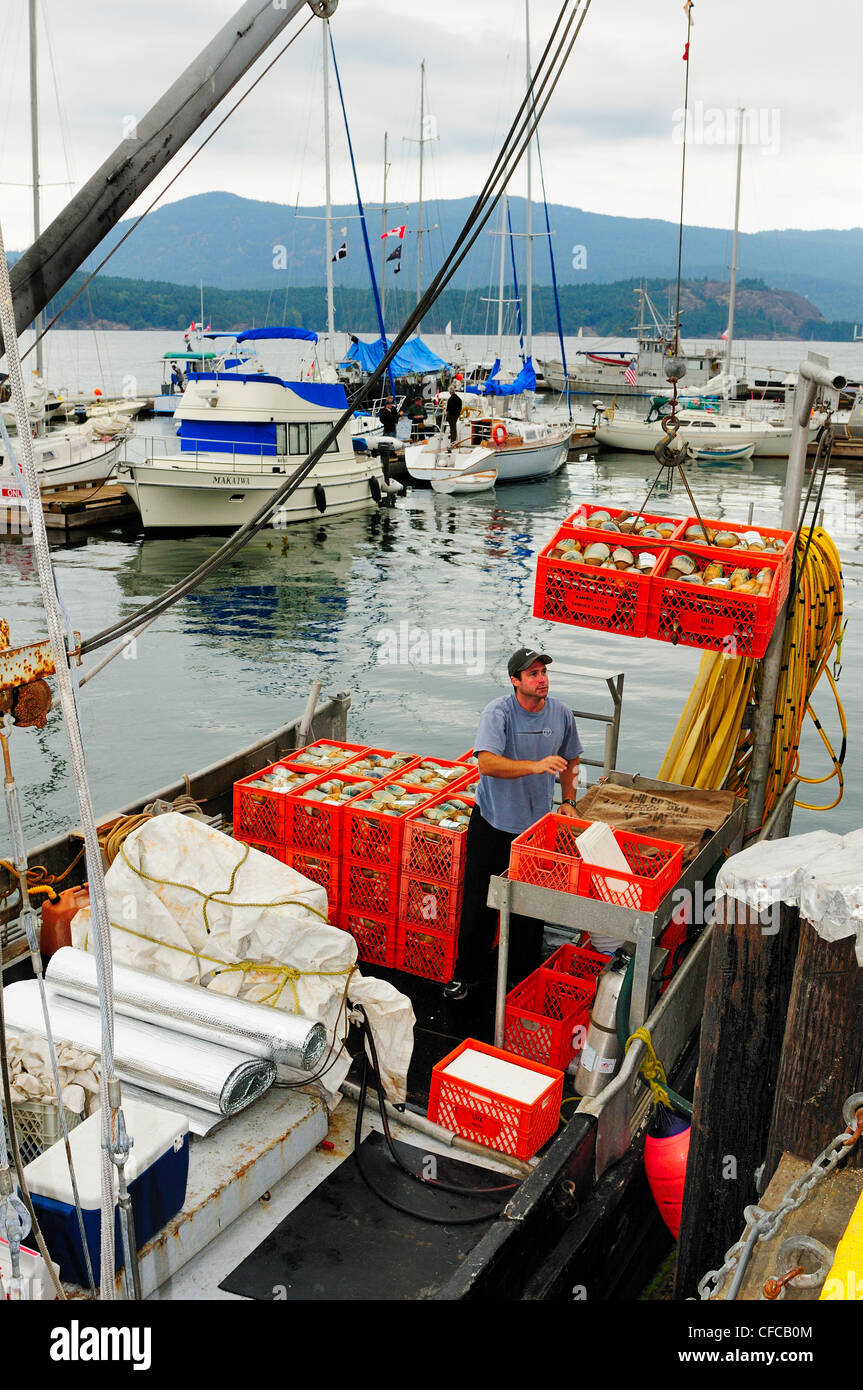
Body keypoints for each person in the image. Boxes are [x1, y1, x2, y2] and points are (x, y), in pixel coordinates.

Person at [443, 648, 583, 1001]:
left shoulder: (561, 713)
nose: (542, 679)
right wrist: (535, 766)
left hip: (534, 830)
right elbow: (487, 764)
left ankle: (522, 982)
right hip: (492, 822)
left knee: (529, 910)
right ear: (515, 681)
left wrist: (568, 800)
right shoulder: (498, 712)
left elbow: (572, 757)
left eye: (544, 673)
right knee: (479, 903)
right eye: (533, 674)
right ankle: (467, 975)